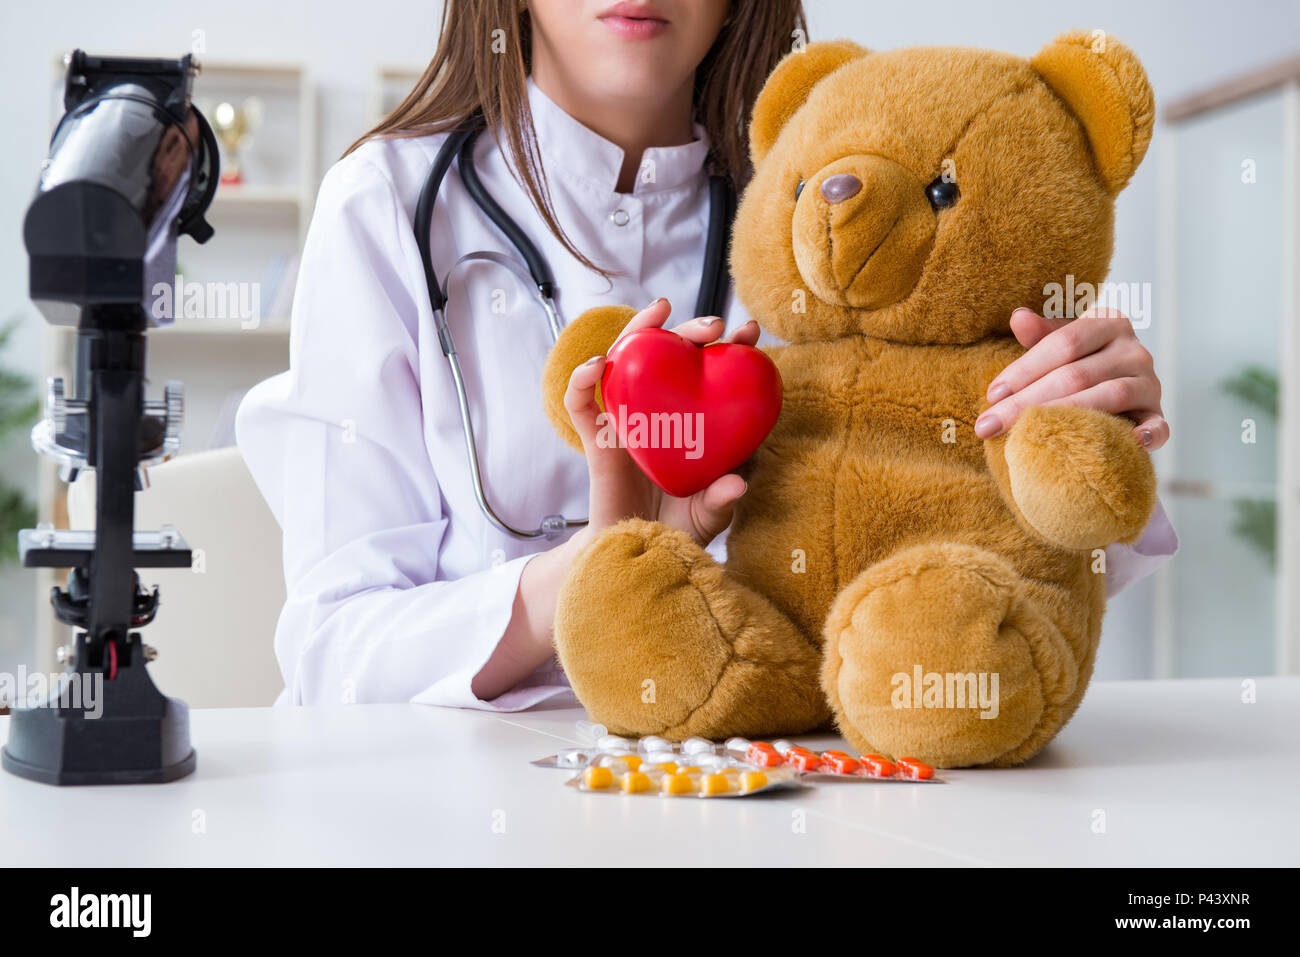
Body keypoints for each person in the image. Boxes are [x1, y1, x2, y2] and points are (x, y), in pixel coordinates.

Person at [236, 0, 1177, 709]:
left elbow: (1007, 563)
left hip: (765, 789)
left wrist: (1083, 424)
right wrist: (602, 569)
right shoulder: (386, 204)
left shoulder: (838, 210)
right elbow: (332, 650)